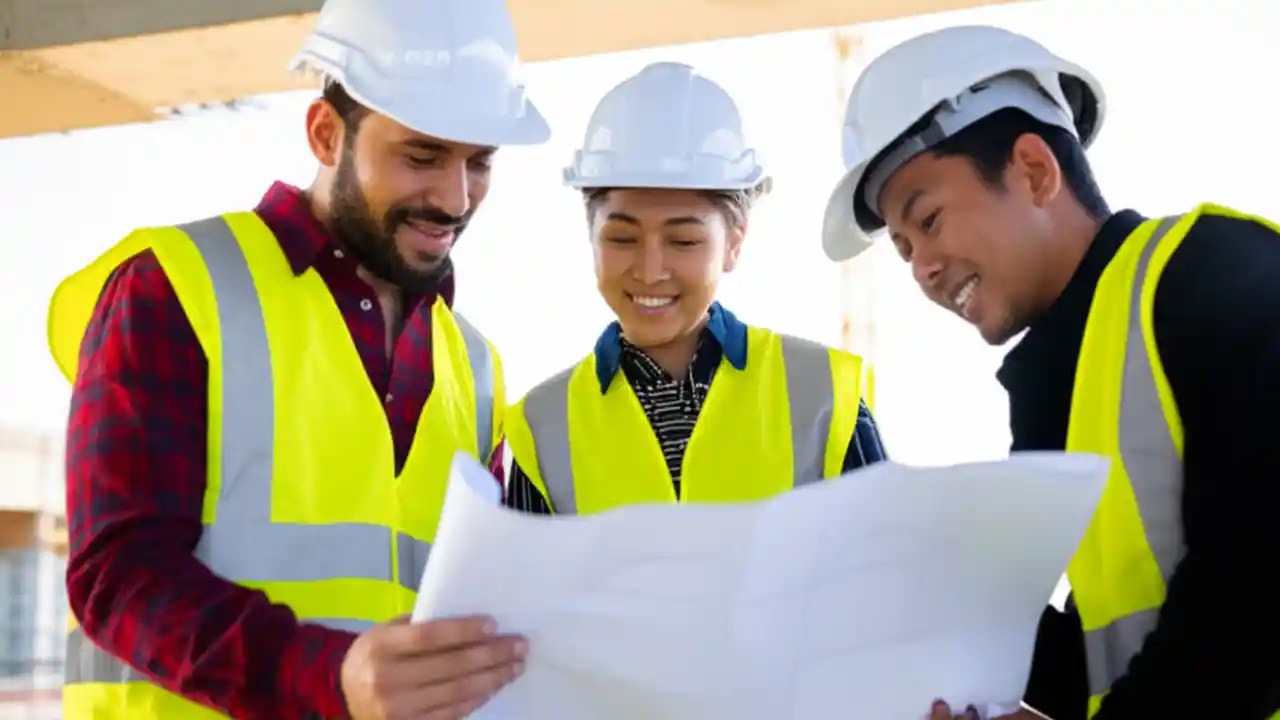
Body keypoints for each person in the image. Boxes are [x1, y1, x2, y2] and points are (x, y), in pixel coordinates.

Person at [44, 0, 551, 717]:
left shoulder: (474, 364)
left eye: (480, 162)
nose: (454, 197)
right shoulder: (178, 288)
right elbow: (119, 578)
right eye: (421, 155)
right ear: (325, 134)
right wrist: (329, 676)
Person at [821, 24, 1280, 720]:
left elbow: (1253, 594)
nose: (921, 269)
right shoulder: (1054, 381)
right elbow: (1107, 659)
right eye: (905, 248)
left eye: (931, 220)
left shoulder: (1215, 273)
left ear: (1034, 170)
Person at [503, 61, 887, 519]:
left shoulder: (822, 395)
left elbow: (880, 575)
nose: (649, 271)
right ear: (592, 237)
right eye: (622, 238)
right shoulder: (542, 426)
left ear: (734, 242)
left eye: (683, 241)